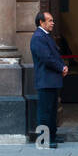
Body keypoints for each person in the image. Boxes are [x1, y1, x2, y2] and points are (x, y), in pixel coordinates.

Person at [31, 10, 68, 148]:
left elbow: (54, 55)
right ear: (41, 22)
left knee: (52, 111)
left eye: (52, 20)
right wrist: (61, 68)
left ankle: (52, 136)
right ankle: (44, 140)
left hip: (51, 80)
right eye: (50, 20)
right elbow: (46, 58)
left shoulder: (45, 36)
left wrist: (63, 66)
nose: (53, 23)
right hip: (45, 81)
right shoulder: (38, 37)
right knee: (45, 112)